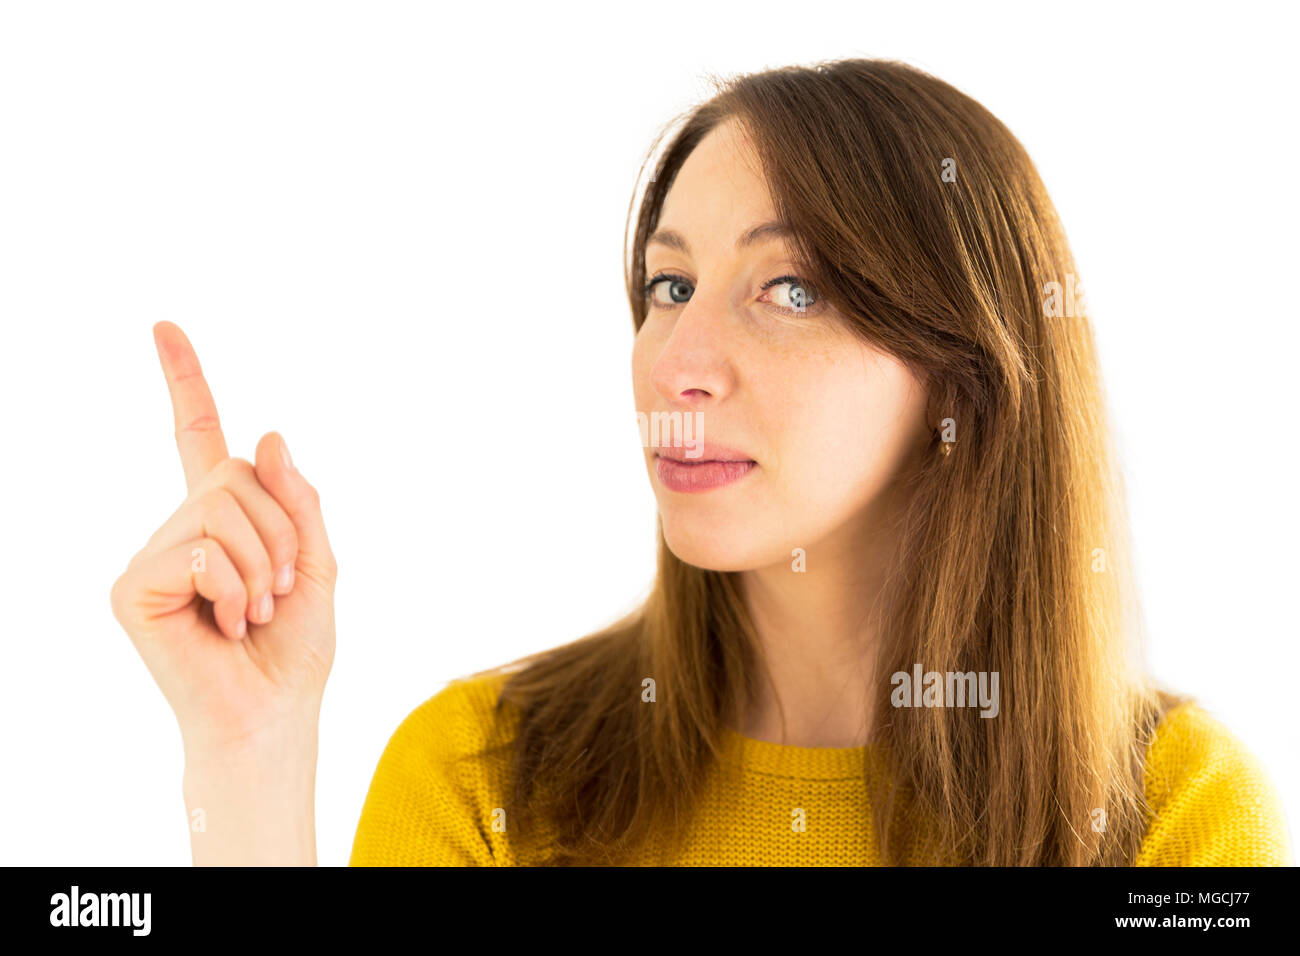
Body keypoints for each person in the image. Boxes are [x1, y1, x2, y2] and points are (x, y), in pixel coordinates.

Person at [112, 57, 1291, 866]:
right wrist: (249, 763)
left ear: (964, 375)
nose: (678, 358)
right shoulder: (480, 778)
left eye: (788, 288)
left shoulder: (1171, 814)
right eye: (667, 285)